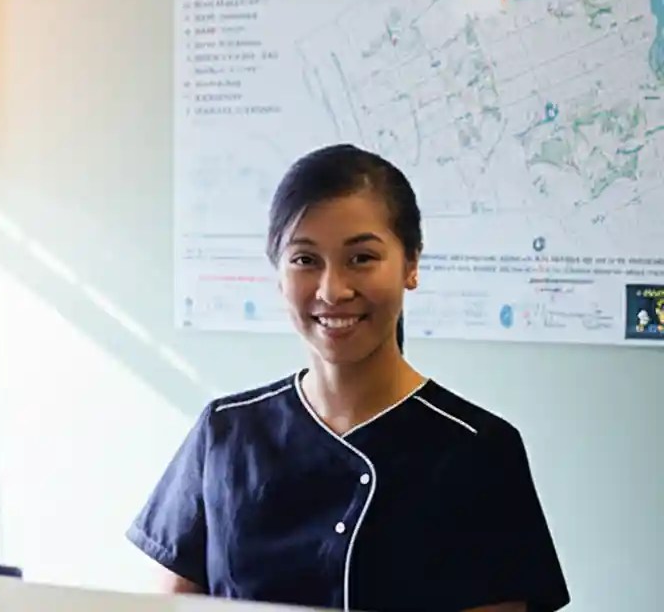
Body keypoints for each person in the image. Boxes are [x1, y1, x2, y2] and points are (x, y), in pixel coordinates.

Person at [127, 144, 569, 612]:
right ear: (278, 274)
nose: (332, 290)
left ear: (411, 264)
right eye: (305, 260)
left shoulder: (479, 451)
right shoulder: (225, 432)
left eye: (361, 258)